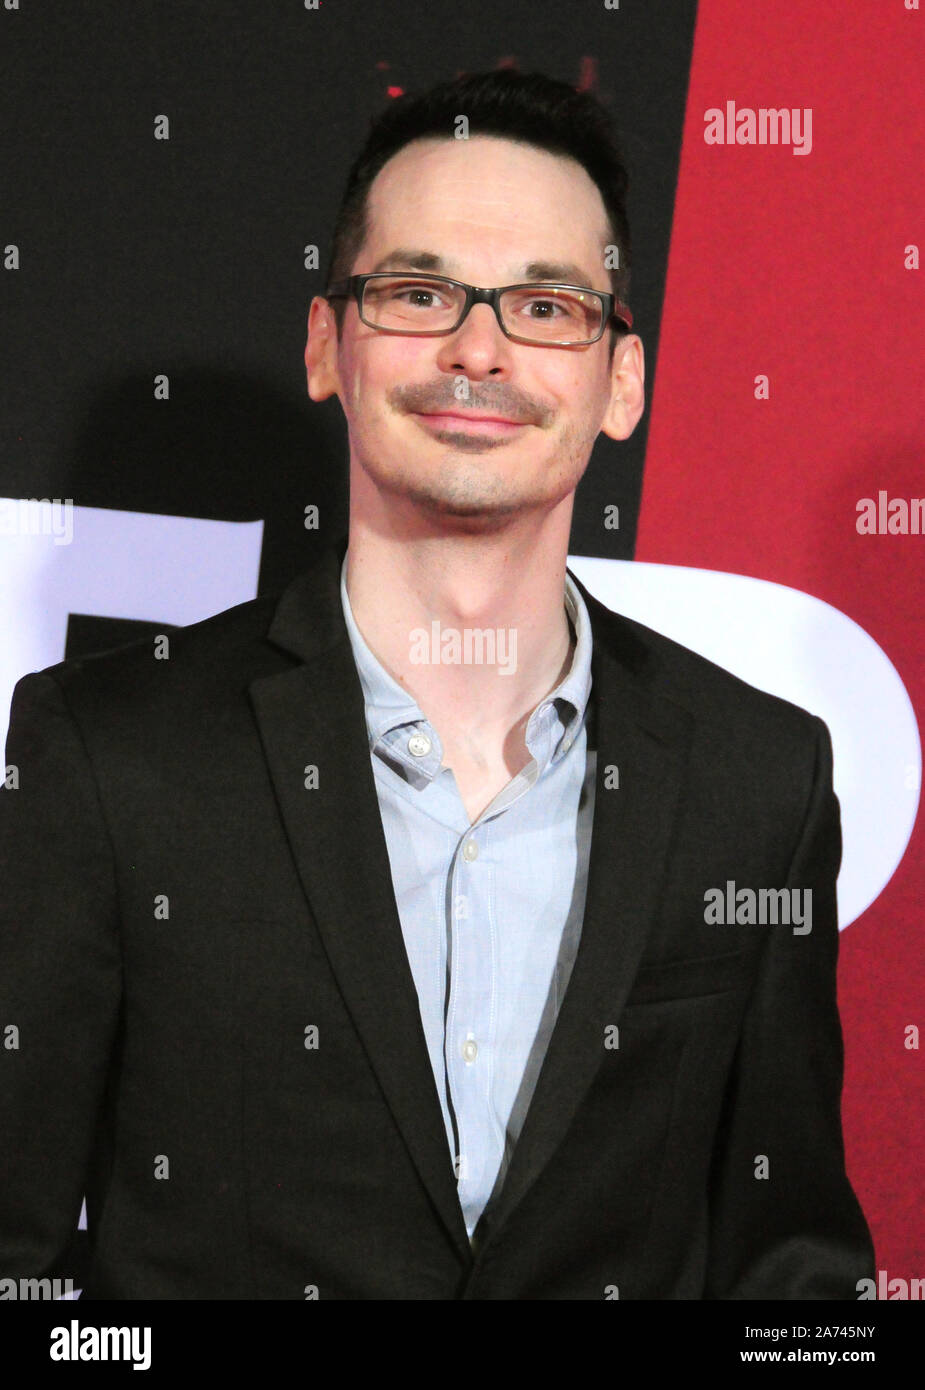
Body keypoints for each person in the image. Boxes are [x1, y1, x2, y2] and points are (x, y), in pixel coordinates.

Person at [0, 69, 873, 1299]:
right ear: (326, 346)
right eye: (419, 293)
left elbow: (791, 1267)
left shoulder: (757, 778)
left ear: (621, 380)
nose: (478, 347)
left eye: (547, 304)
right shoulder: (106, 752)